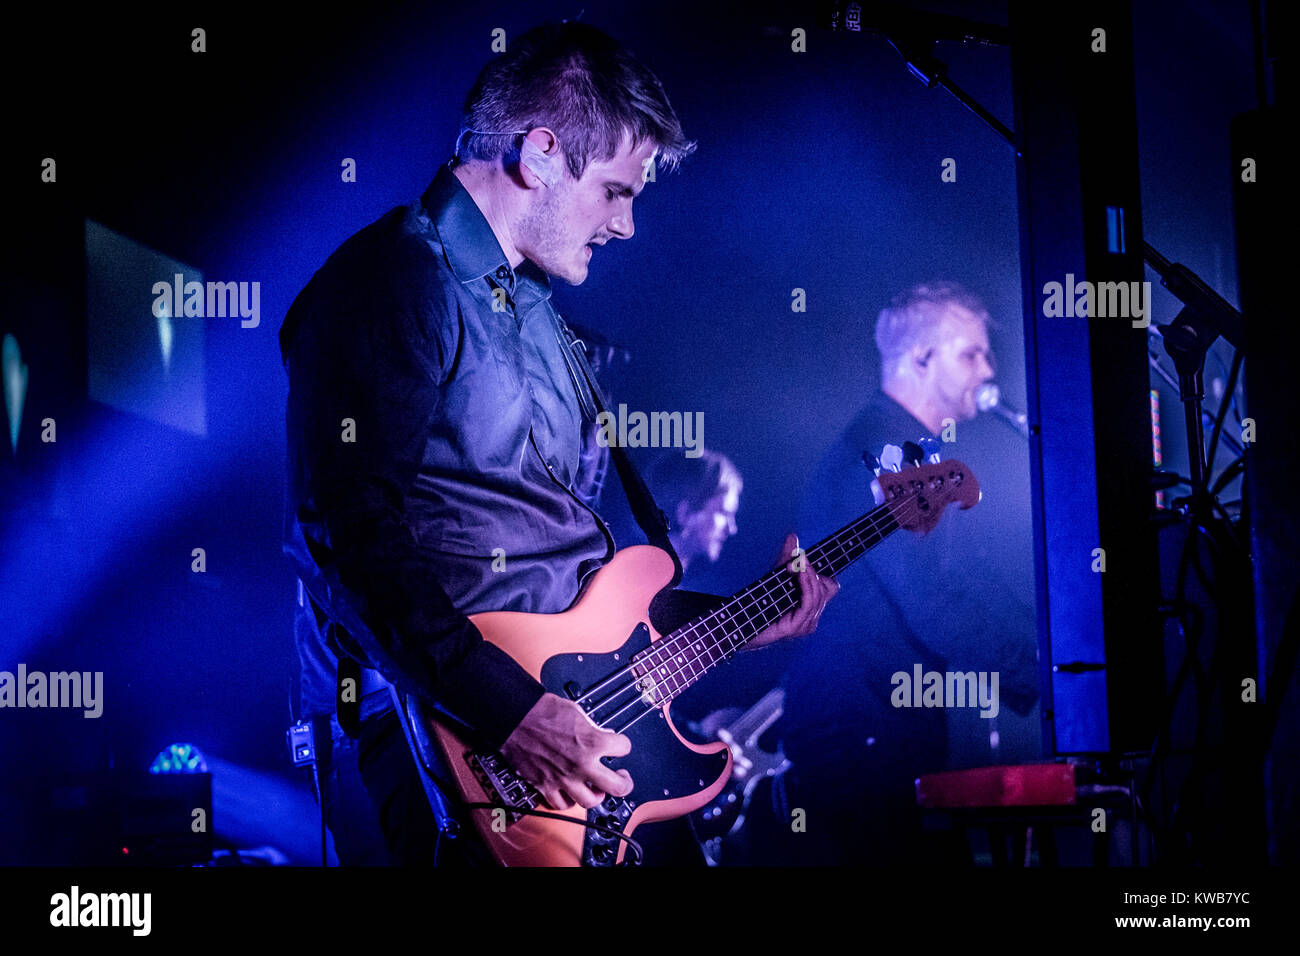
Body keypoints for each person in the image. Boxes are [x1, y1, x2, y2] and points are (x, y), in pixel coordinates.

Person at [278, 21, 839, 866]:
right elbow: (352, 538)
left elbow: (584, 596)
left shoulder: (545, 315)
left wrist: (744, 620)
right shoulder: (390, 281)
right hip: (469, 746)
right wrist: (511, 712)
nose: (628, 226)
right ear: (539, 154)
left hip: (588, 736)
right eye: (617, 191)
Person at [765, 281, 1041, 865]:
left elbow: (968, 579)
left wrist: (1050, 651)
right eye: (971, 353)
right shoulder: (883, 452)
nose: (988, 369)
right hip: (856, 738)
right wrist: (1046, 675)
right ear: (920, 358)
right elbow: (936, 599)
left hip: (882, 733)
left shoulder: (914, 451)